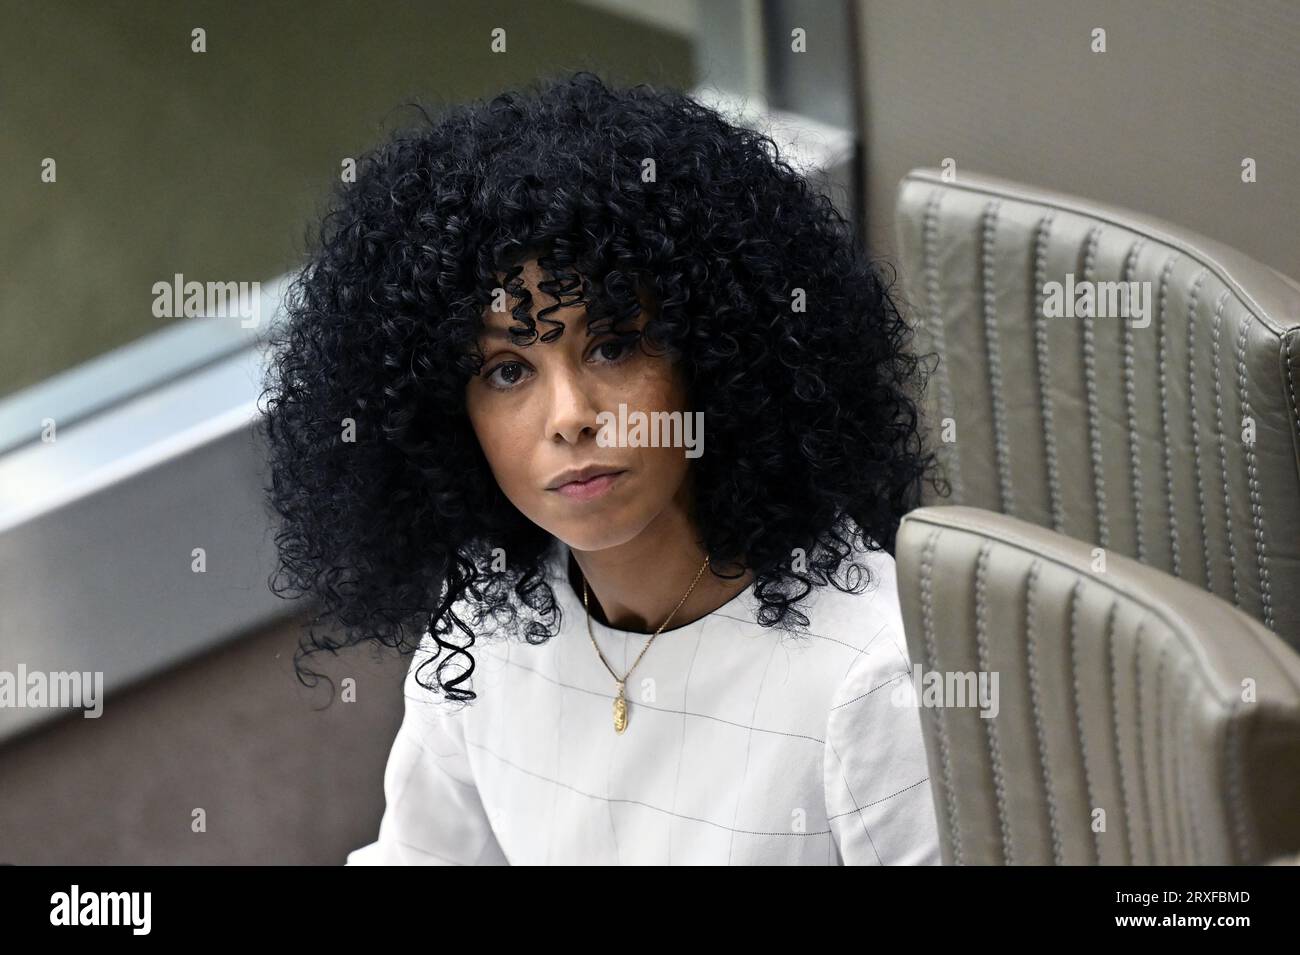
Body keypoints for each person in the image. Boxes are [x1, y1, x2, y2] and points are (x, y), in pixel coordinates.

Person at [260, 71, 945, 865]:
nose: (570, 415)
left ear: (718, 357)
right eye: (507, 370)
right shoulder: (488, 624)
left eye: (613, 346)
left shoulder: (870, 674)